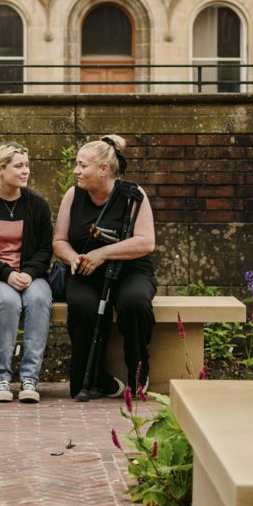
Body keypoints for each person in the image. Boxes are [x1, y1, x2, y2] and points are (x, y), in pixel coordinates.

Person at [52, 134, 156, 398]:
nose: (76, 170)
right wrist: (74, 257)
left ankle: (138, 372)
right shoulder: (72, 196)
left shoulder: (133, 195)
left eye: (82, 165)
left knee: (134, 303)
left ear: (104, 169)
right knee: (83, 307)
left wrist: (102, 253)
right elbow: (59, 241)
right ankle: (94, 379)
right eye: (77, 164)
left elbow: (145, 242)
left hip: (130, 270)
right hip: (86, 272)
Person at [0, 142, 53, 404]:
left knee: (38, 299)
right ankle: (1, 377)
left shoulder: (36, 204)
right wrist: (7, 274)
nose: (25, 171)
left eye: (27, 165)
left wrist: (28, 272)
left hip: (31, 275)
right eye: (19, 166)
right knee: (8, 301)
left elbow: (45, 249)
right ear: (0, 170)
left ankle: (30, 378)